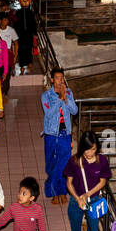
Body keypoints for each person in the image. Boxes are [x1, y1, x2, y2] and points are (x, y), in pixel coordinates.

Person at [63, 131, 111, 231]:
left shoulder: (102, 160)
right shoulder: (75, 161)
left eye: (93, 149)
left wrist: (87, 194)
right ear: (81, 148)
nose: (90, 153)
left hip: (94, 200)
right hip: (75, 202)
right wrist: (78, 198)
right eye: (87, 149)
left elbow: (102, 182)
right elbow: (69, 183)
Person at [42, 69, 77, 203]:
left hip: (65, 134)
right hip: (51, 134)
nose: (60, 81)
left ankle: (62, 191)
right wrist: (60, 99)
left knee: (64, 164)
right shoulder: (46, 96)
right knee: (52, 164)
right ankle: (54, 192)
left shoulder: (69, 93)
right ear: (52, 80)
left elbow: (74, 110)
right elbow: (49, 113)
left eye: (62, 78)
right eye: (57, 78)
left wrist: (66, 97)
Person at [13, 0, 36, 75]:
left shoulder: (30, 12)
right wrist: (15, 35)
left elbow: (33, 24)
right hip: (20, 34)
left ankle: (29, 62)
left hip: (29, 33)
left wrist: (35, 34)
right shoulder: (18, 13)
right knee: (21, 50)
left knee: (29, 48)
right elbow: (15, 24)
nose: (25, 4)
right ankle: (22, 66)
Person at [0, 14, 19, 93]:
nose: (6, 22)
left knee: (7, 74)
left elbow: (16, 43)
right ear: (0, 21)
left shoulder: (11, 30)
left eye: (7, 20)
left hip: (8, 54)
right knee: (0, 73)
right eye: (5, 20)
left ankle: (4, 92)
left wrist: (15, 57)